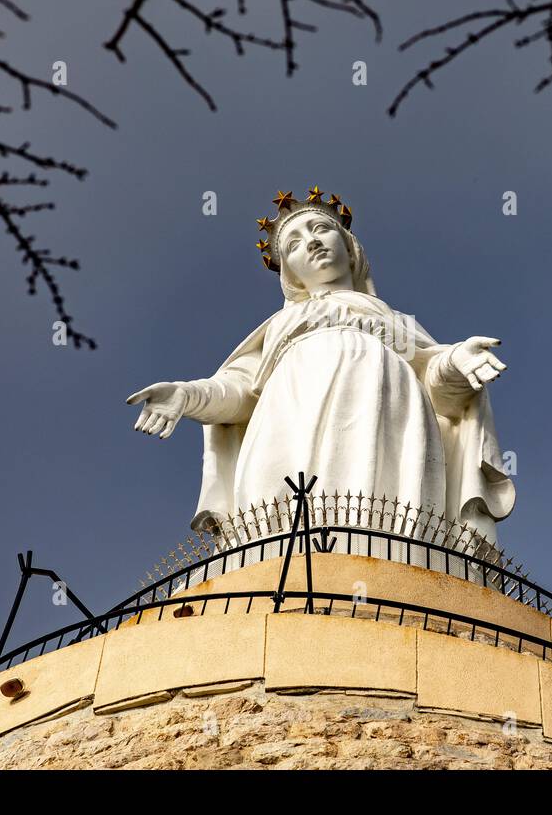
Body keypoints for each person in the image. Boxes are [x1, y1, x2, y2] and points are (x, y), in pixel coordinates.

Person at [126, 188, 515, 556]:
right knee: (278, 529)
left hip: (386, 421)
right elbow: (241, 392)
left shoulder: (395, 322)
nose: (311, 242)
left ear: (349, 247)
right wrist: (187, 395)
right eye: (292, 244)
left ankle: (387, 573)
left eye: (321, 229)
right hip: (288, 420)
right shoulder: (279, 328)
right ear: (290, 273)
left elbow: (439, 389)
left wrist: (456, 362)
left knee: (382, 528)